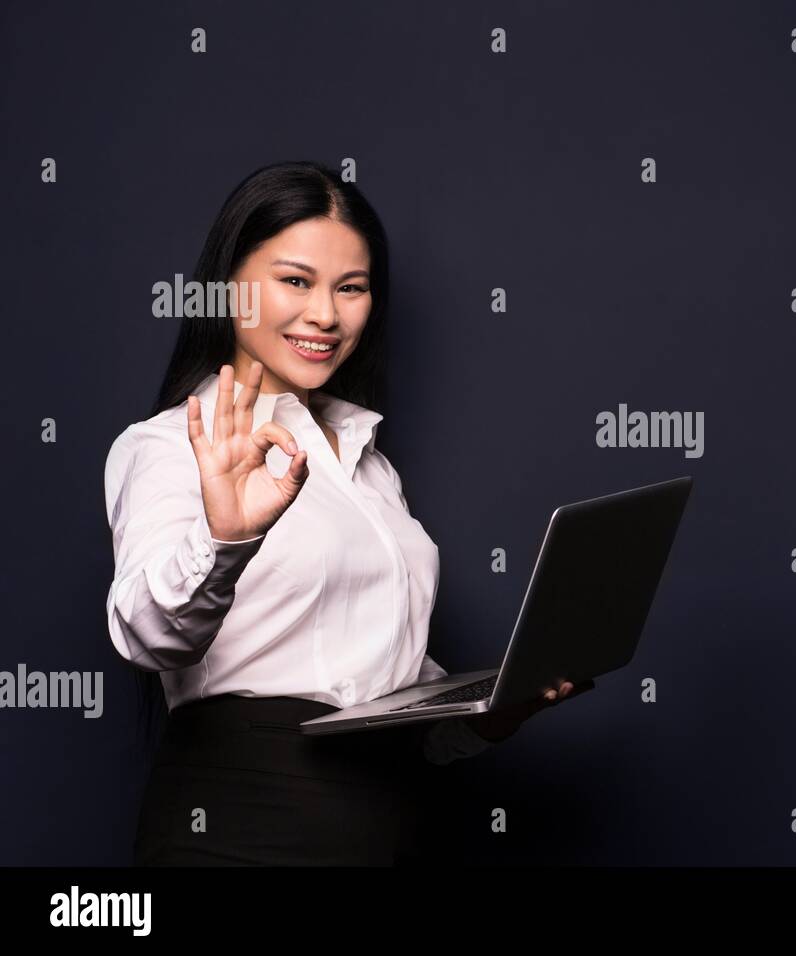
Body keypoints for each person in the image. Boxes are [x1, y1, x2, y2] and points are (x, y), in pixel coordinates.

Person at [104, 161, 592, 865]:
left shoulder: (368, 464)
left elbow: (389, 703)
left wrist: (493, 711)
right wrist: (227, 537)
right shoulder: (167, 447)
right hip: (242, 828)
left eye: (352, 288)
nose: (326, 315)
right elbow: (146, 636)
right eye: (295, 281)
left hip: (385, 830)